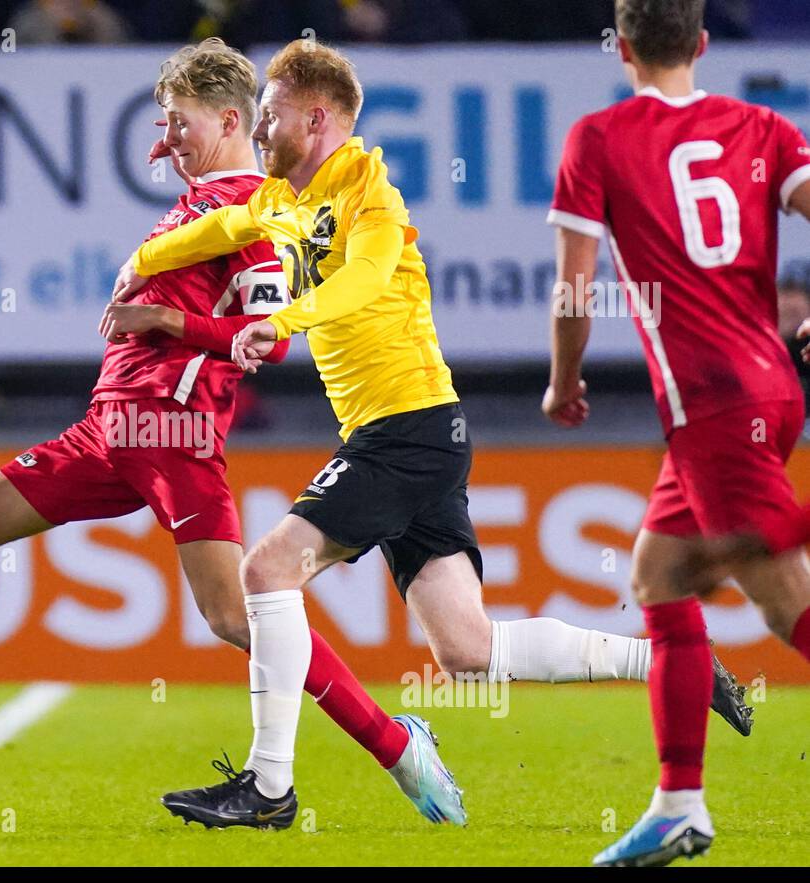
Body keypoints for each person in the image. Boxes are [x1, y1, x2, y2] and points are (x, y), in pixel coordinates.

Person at [114, 35, 752, 833]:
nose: (260, 130)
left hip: (405, 430)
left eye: (270, 116)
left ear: (316, 119)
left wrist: (285, 317)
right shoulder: (280, 200)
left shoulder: (369, 193)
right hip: (417, 434)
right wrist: (144, 259)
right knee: (467, 650)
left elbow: (366, 277)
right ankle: (670, 663)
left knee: (268, 569)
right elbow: (216, 230)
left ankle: (269, 787)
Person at [0, 39, 431, 825]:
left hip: (175, 439)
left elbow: (268, 336)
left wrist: (164, 316)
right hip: (104, 431)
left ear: (231, 119)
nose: (168, 139)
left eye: (181, 123)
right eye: (164, 123)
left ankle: (397, 745)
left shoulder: (260, 217)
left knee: (237, 619)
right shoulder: (197, 203)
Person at [543, 0, 810, 866]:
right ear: (701, 42)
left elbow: (576, 292)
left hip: (714, 405)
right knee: (658, 576)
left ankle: (680, 805)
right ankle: (678, 804)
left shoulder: (598, 139)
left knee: (786, 604)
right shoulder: (764, 127)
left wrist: (564, 381)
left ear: (620, 47)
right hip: (767, 389)